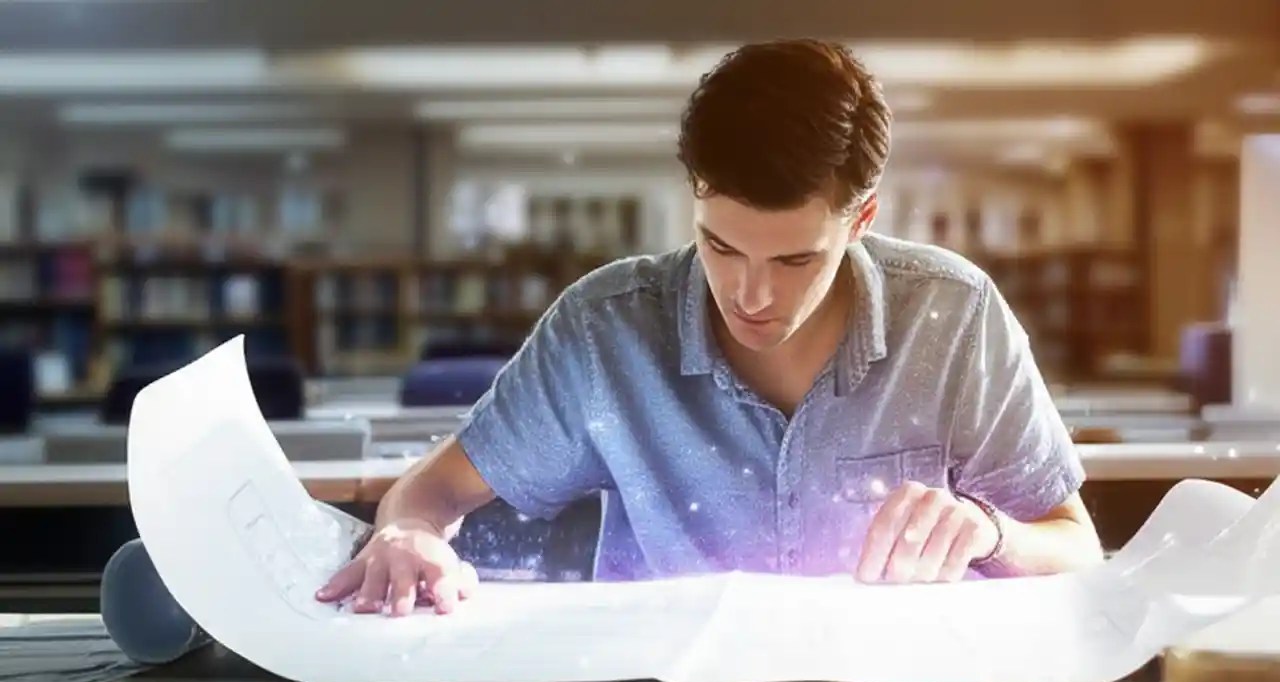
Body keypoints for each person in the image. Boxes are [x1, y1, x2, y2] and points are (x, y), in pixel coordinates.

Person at [316, 38, 1104, 617]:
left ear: (862, 218)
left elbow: (1076, 546)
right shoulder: (605, 330)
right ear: (692, 195)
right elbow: (434, 491)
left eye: (795, 259)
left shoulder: (953, 314)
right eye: (720, 245)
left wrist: (993, 534)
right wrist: (407, 532)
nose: (749, 293)